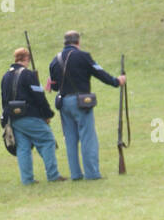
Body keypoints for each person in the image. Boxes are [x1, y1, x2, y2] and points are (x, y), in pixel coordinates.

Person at [47, 29, 125, 180]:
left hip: (63, 103)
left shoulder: (54, 60)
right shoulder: (83, 56)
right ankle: (92, 173)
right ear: (78, 42)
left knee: (70, 140)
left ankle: (75, 174)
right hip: (81, 102)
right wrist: (116, 81)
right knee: (88, 138)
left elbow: (55, 86)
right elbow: (99, 73)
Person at [1, 47, 60, 185]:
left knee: (23, 147)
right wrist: (47, 114)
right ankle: (53, 175)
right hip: (30, 115)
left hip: (13, 118)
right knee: (48, 140)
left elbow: (4, 99)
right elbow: (39, 97)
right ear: (27, 59)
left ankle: (27, 179)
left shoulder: (6, 76)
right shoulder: (28, 75)